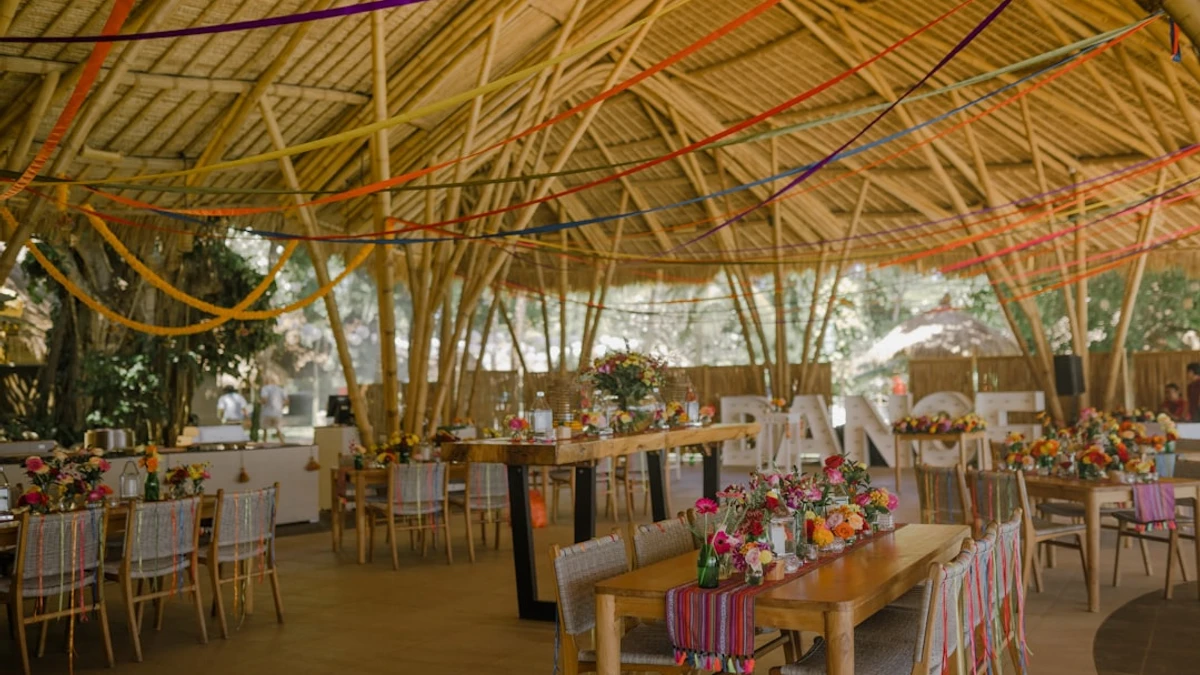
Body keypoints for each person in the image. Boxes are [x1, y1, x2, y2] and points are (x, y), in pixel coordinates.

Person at [260, 376, 287, 442]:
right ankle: (282, 443)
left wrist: (259, 402)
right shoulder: (280, 389)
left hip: (267, 412)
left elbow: (265, 400)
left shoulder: (265, 388)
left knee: (265, 430)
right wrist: (281, 406)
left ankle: (264, 444)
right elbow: (287, 401)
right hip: (277, 412)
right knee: (278, 429)